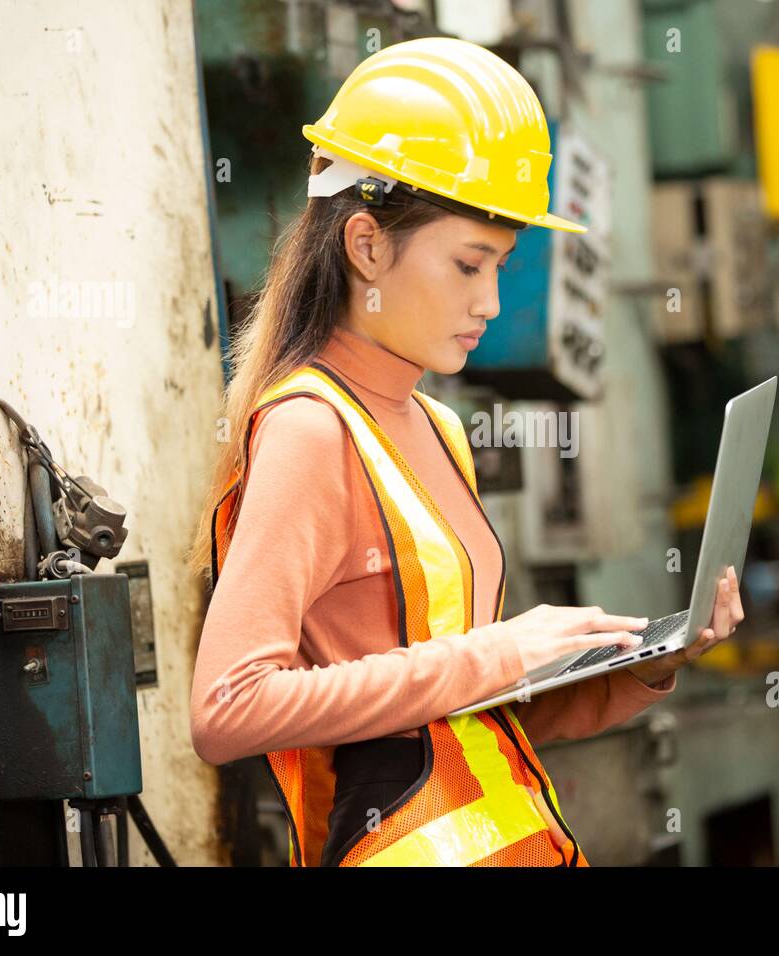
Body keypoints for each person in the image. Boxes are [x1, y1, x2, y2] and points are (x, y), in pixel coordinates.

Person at [187, 36, 744, 867]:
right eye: (467, 265)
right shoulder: (311, 429)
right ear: (368, 246)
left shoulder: (438, 429)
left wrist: (649, 664)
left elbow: (467, 712)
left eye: (502, 266)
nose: (488, 301)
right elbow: (227, 709)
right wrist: (494, 651)